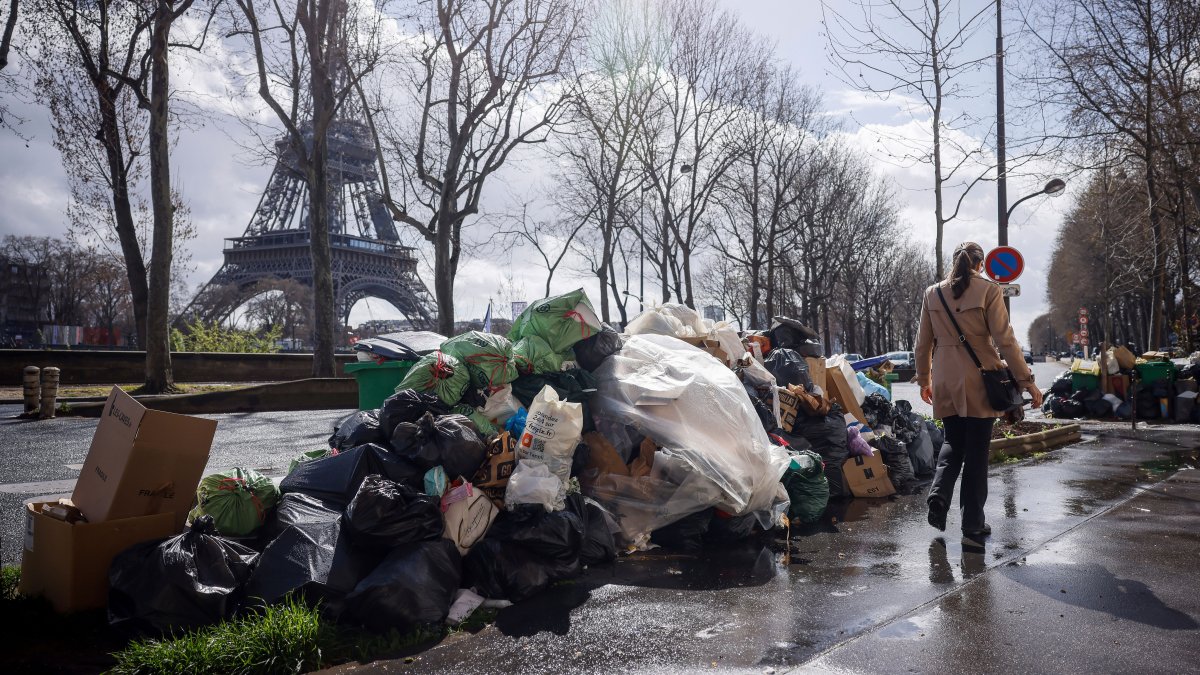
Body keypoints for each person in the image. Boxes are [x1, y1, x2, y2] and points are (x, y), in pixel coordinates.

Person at [914, 242, 1042, 539]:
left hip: (945, 377)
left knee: (952, 441)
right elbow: (1005, 340)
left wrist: (924, 380)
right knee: (977, 452)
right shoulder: (989, 289)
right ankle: (972, 522)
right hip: (980, 378)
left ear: (954, 262)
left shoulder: (932, 293)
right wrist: (1027, 381)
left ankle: (939, 494)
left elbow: (922, 343)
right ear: (980, 264)